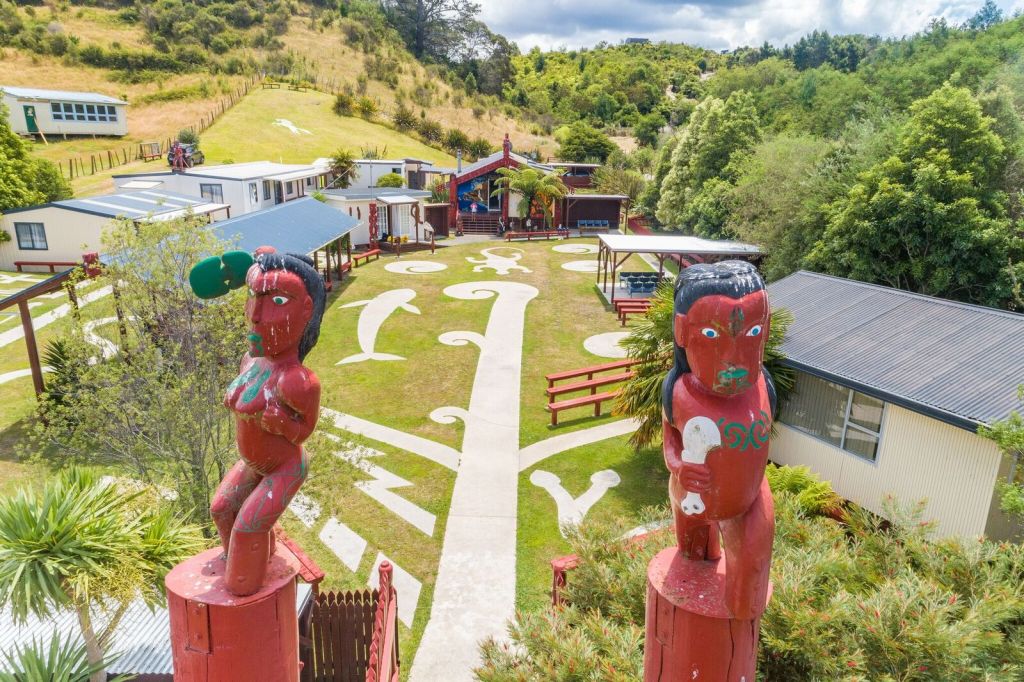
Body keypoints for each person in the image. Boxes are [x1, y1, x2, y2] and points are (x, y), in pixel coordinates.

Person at [205, 248, 326, 596]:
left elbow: (303, 432)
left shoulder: (298, 381)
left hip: (283, 468)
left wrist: (283, 424)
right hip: (253, 464)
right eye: (253, 296)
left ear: (306, 312)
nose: (255, 316)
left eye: (275, 299)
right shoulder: (251, 361)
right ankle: (240, 561)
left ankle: (243, 589)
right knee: (222, 508)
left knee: (248, 527)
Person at [661, 260, 776, 620]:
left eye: (753, 332)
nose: (734, 358)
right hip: (693, 498)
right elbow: (669, 442)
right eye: (711, 335)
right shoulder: (679, 392)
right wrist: (679, 465)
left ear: (767, 327)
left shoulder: (762, 387)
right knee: (692, 550)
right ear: (683, 331)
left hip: (749, 496)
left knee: (746, 600)